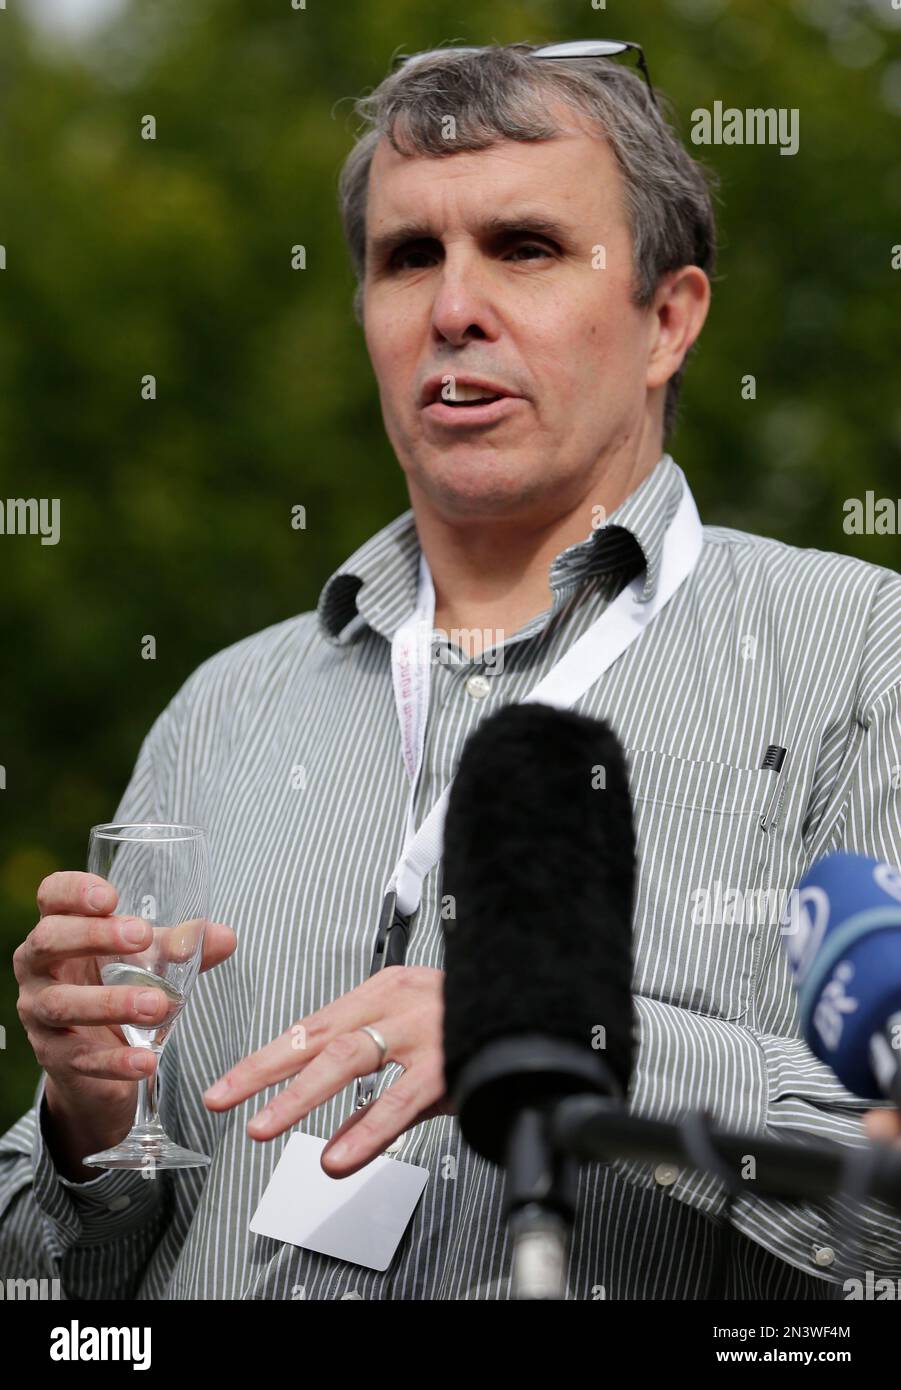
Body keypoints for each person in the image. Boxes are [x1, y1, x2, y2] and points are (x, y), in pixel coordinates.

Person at [2, 40, 900, 1301]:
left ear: (668, 319)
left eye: (524, 247)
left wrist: (584, 1047)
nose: (451, 307)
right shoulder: (223, 705)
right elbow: (56, 1293)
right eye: (406, 256)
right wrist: (84, 1127)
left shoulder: (860, 655)